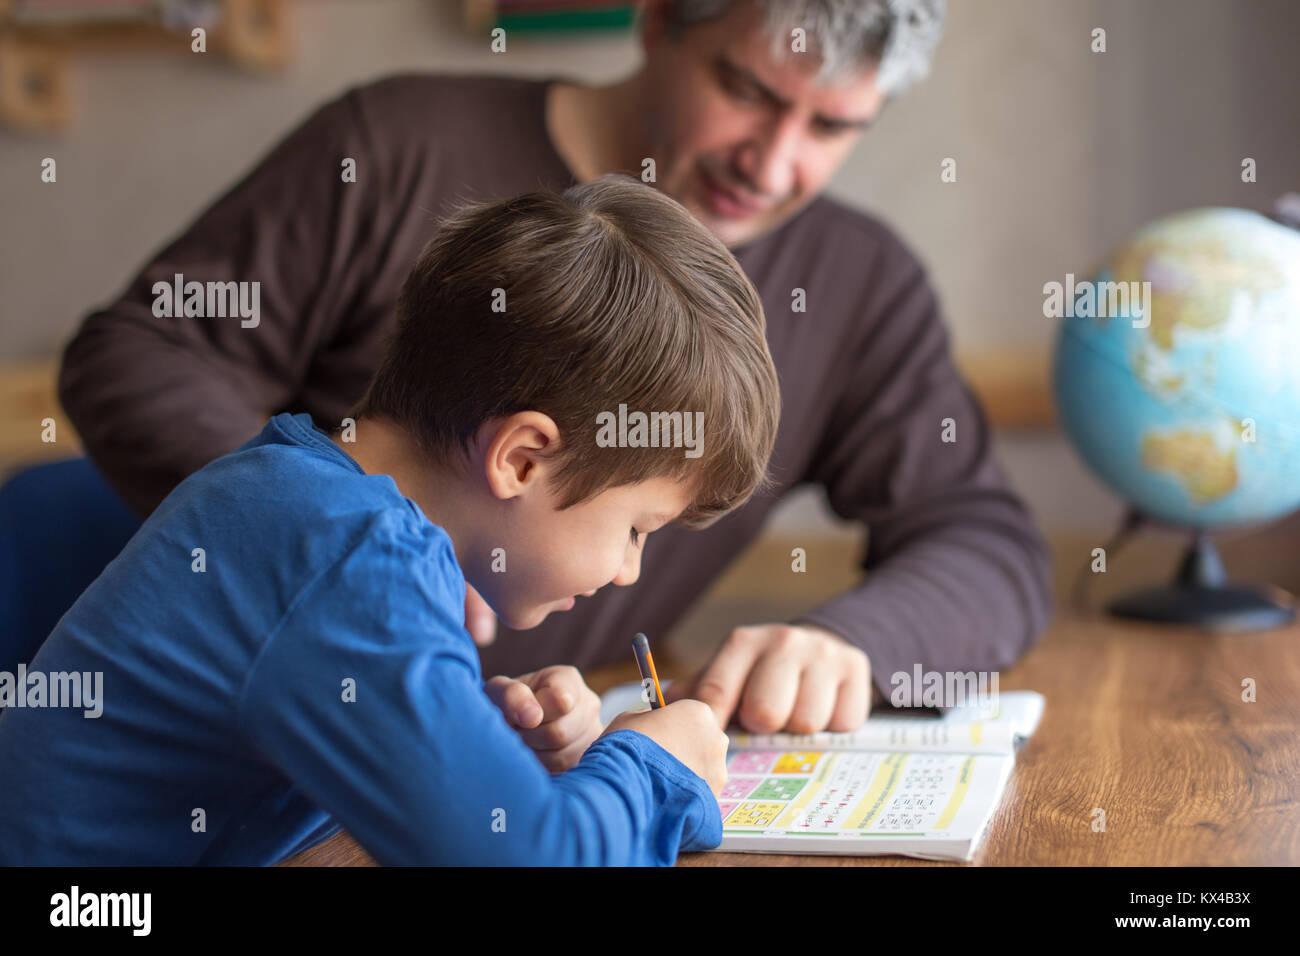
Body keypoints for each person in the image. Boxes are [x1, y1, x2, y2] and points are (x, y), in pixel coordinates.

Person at [45, 0, 1050, 735]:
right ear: (657, 23)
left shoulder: (856, 284)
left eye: (831, 126)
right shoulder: (392, 145)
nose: (773, 161)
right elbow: (139, 347)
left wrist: (855, 642)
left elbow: (982, 537)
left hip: (518, 741)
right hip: (281, 735)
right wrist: (337, 550)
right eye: (744, 90)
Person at [0, 176, 778, 865]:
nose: (628, 569)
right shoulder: (354, 557)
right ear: (522, 459)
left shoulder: (294, 483)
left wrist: (487, 755)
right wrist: (653, 765)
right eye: (638, 528)